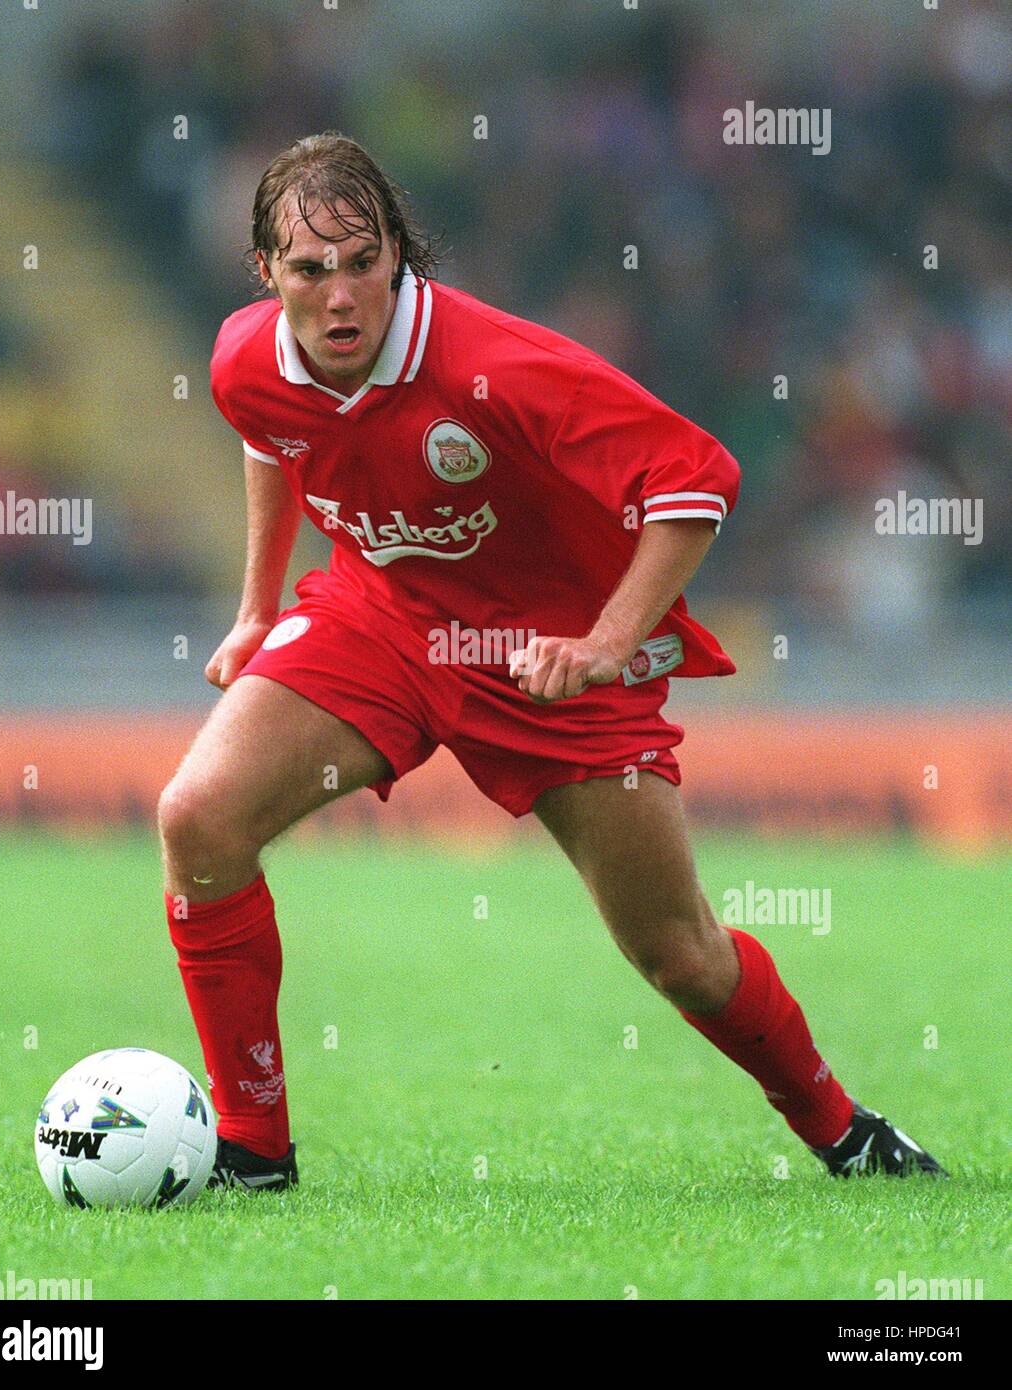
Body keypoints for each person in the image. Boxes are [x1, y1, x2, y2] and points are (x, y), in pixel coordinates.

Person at [159, 133, 945, 1190]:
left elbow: (693, 481)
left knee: (678, 953)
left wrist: (606, 643)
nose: (340, 296)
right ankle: (253, 1151)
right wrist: (258, 608)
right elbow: (269, 429)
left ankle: (843, 1129)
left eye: (363, 263)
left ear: (401, 257)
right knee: (197, 819)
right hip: (381, 619)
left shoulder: (491, 364)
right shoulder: (244, 356)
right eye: (309, 270)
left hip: (546, 656)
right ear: (266, 274)